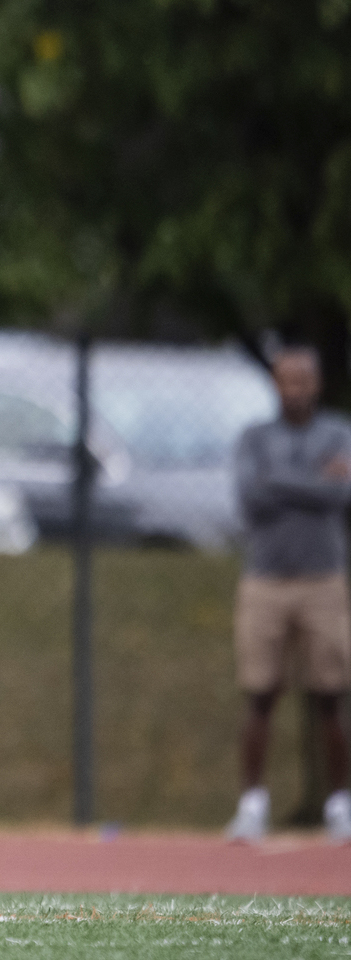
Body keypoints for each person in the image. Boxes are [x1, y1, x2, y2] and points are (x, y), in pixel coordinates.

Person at [225, 346, 351, 844]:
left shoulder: (338, 433)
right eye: (285, 381)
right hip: (265, 579)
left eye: (303, 381)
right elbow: (250, 499)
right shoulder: (254, 438)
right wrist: (314, 481)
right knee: (259, 694)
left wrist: (281, 481)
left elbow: (341, 495)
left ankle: (339, 805)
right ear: (274, 385)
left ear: (316, 385)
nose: (294, 390)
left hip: (323, 578)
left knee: (330, 696)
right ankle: (252, 804)